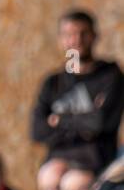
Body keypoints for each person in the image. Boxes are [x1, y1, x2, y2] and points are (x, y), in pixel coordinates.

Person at [30, 9, 124, 173]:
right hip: (56, 163)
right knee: (49, 177)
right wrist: (85, 121)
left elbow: (101, 122)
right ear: (61, 40)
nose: (77, 40)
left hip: (97, 165)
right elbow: (37, 131)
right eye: (70, 34)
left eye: (83, 33)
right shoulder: (53, 83)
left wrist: (58, 120)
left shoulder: (110, 75)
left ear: (94, 36)